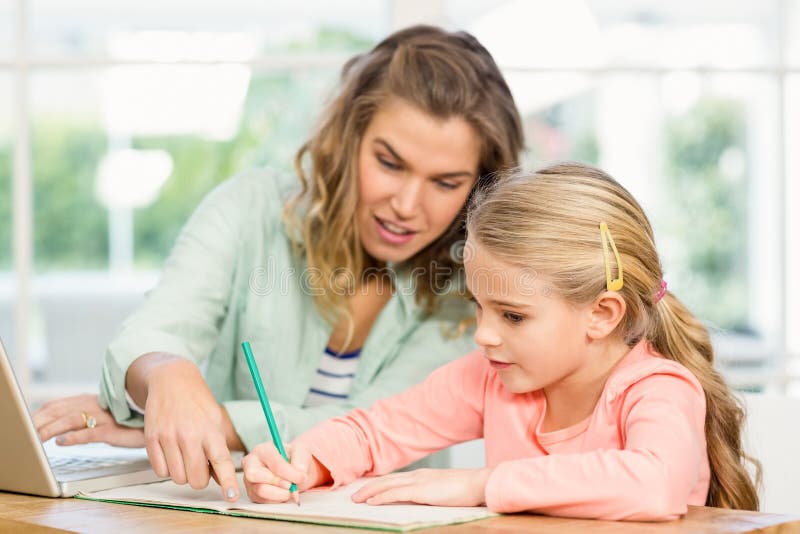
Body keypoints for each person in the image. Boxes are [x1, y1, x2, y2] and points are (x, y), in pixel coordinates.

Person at [31, 25, 525, 503]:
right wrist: (166, 376)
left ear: (478, 188)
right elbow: (154, 332)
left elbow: (378, 428)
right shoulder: (250, 209)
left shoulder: (477, 288)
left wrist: (197, 423)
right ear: (347, 140)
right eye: (389, 163)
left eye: (445, 183)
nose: (407, 204)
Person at [241, 163, 761, 520]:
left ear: (601, 315)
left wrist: (481, 484)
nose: (484, 334)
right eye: (478, 305)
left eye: (513, 315)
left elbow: (655, 484)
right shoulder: (490, 377)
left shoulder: (658, 389)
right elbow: (375, 433)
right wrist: (306, 461)